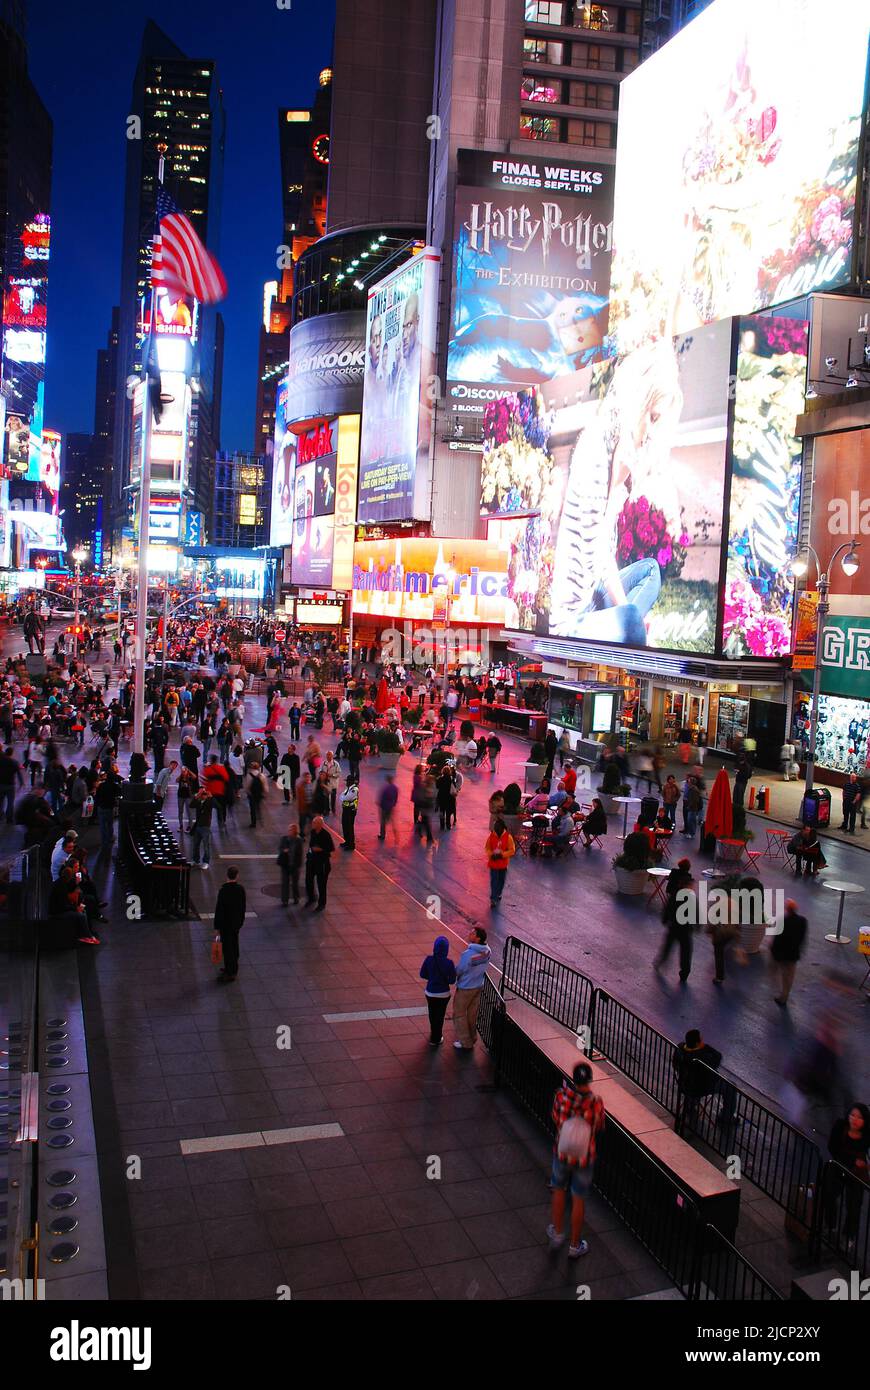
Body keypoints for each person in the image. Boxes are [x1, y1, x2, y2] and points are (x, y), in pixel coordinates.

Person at [547, 1062, 605, 1260]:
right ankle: (574, 1245)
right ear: (589, 1079)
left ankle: (557, 1234)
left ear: (573, 1079)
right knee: (579, 1198)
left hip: (562, 1153)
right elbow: (599, 1126)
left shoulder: (561, 1096)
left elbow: (555, 1118)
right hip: (584, 1157)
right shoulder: (596, 1102)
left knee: (558, 1188)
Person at [826, 1104, 869, 1241]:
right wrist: (853, 1160)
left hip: (857, 1175)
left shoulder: (867, 1135)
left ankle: (849, 1237)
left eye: (859, 1117)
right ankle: (831, 1226)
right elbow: (832, 1147)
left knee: (854, 1206)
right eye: (852, 1115)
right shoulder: (840, 1126)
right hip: (838, 1168)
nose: (854, 1120)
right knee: (829, 1196)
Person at [672, 1029, 723, 1133]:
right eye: (701, 1039)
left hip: (684, 1083)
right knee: (730, 1087)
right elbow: (718, 1057)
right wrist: (705, 1046)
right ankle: (727, 1117)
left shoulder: (680, 1048)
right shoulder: (702, 1057)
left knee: (693, 1082)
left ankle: (690, 1105)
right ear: (697, 1042)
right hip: (701, 1087)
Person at [654, 858, 695, 982]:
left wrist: (665, 918)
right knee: (686, 950)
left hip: (675, 925)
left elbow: (669, 906)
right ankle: (684, 972)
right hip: (686, 927)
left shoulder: (676, 892)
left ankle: (661, 962)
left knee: (668, 945)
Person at [452, 928, 491, 1051]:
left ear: (478, 938)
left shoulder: (468, 954)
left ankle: (465, 1042)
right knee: (472, 1014)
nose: (470, 934)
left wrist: (453, 975)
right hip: (478, 985)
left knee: (459, 1014)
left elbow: (460, 970)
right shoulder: (487, 951)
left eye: (473, 933)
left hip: (466, 988)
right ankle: (473, 1037)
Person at [419, 936, 456, 1048]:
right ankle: (437, 1036)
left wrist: (432, 978)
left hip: (430, 992)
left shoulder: (429, 959)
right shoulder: (449, 963)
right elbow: (452, 980)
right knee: (440, 1016)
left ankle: (433, 1034)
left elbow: (422, 974)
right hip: (443, 994)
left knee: (432, 1013)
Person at [769, 898, 807, 1006]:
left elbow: (777, 939)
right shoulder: (803, 921)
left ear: (787, 909)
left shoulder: (782, 922)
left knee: (783, 974)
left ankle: (782, 995)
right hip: (794, 954)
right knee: (789, 976)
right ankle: (785, 995)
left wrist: (773, 951)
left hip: (782, 954)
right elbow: (802, 937)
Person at [214, 866, 246, 982]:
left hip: (225, 925)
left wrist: (217, 927)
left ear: (227, 876)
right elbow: (242, 907)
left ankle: (230, 971)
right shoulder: (240, 889)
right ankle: (233, 968)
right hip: (236, 924)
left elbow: (219, 910)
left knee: (227, 949)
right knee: (234, 945)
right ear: (237, 876)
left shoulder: (223, 891)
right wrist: (241, 921)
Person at [304, 814, 334, 911]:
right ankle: (311, 898)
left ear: (320, 824)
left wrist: (320, 849)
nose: (312, 824)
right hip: (312, 861)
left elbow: (331, 848)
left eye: (315, 823)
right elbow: (311, 845)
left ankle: (322, 903)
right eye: (313, 822)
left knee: (321, 884)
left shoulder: (326, 835)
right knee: (308, 880)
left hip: (322, 863)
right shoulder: (313, 832)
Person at [485, 817, 516, 909]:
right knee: (494, 881)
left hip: (503, 864)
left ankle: (498, 893)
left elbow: (512, 850)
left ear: (502, 828)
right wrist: (491, 855)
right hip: (494, 864)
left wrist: (502, 855)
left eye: (497, 828)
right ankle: (493, 898)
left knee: (501, 880)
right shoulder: (491, 836)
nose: (496, 830)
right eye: (495, 828)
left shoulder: (508, 837)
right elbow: (487, 848)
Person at [276, 823, 303, 907]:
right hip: (285, 864)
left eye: (291, 830)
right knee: (285, 883)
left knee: (295, 883)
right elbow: (280, 848)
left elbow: (300, 853)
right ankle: (285, 900)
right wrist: (284, 851)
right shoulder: (284, 839)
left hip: (294, 865)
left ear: (295, 831)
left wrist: (298, 864)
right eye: (289, 830)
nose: (289, 832)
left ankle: (296, 898)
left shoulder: (298, 840)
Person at [190, 788, 214, 869]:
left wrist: (210, 797)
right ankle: (195, 860)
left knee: (206, 845)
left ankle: (206, 861)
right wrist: (197, 796)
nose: (203, 796)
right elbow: (191, 805)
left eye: (204, 794)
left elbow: (217, 806)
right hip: (198, 826)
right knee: (195, 845)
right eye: (202, 794)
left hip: (205, 826)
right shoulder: (198, 802)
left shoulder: (209, 802)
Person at [377, 773, 399, 842]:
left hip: (384, 807)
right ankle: (396, 836)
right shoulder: (395, 788)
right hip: (391, 807)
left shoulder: (386, 789)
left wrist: (380, 805)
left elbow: (383, 798)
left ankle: (382, 835)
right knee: (393, 821)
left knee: (383, 822)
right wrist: (394, 804)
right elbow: (396, 797)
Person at [246, 761, 268, 828]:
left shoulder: (249, 775)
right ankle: (260, 818)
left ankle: (253, 822)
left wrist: (248, 792)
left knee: (252, 809)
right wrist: (265, 793)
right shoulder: (262, 775)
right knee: (258, 806)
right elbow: (265, 786)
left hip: (252, 794)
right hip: (259, 794)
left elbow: (247, 785)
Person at [340, 775, 359, 850]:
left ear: (351, 782)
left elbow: (345, 798)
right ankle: (347, 842)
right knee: (345, 826)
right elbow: (341, 797)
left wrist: (343, 798)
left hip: (350, 811)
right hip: (345, 809)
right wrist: (343, 798)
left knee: (349, 827)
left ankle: (351, 844)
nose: (346, 783)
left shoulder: (354, 790)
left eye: (347, 781)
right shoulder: (348, 789)